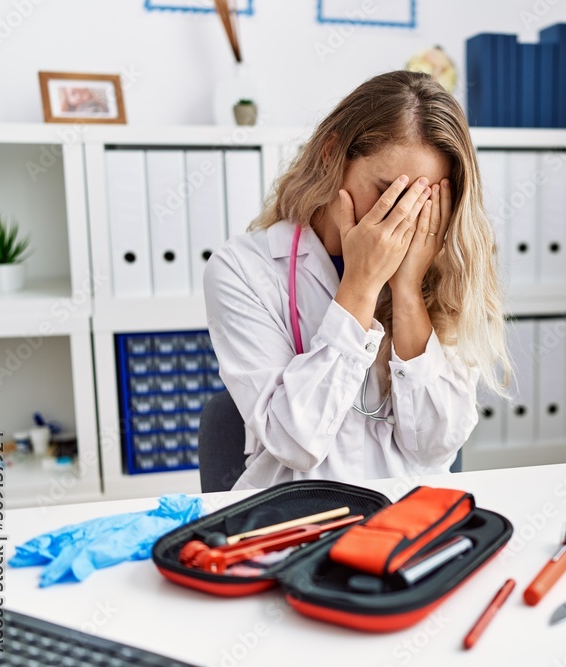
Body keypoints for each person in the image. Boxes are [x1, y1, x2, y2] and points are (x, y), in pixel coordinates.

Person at [204, 70, 510, 490]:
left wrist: (407, 291)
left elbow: (436, 449)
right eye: (388, 190)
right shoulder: (243, 268)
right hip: (294, 521)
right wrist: (361, 285)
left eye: (425, 201)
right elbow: (293, 442)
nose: (404, 216)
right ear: (332, 154)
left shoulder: (443, 268)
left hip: (407, 518)